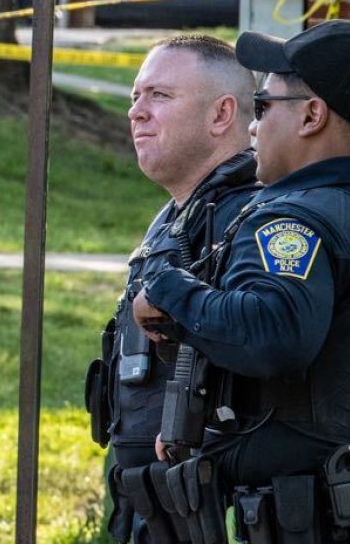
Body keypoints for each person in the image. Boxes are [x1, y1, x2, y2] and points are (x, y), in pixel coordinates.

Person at [133, 20, 350, 541]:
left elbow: (270, 333)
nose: (252, 127)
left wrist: (168, 290)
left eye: (263, 106)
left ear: (312, 116)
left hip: (303, 516)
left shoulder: (293, 220)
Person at [90, 35, 258, 543]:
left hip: (212, 509)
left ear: (221, 114)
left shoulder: (252, 221)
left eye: (159, 96)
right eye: (135, 97)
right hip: (155, 506)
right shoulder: (179, 215)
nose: (136, 112)